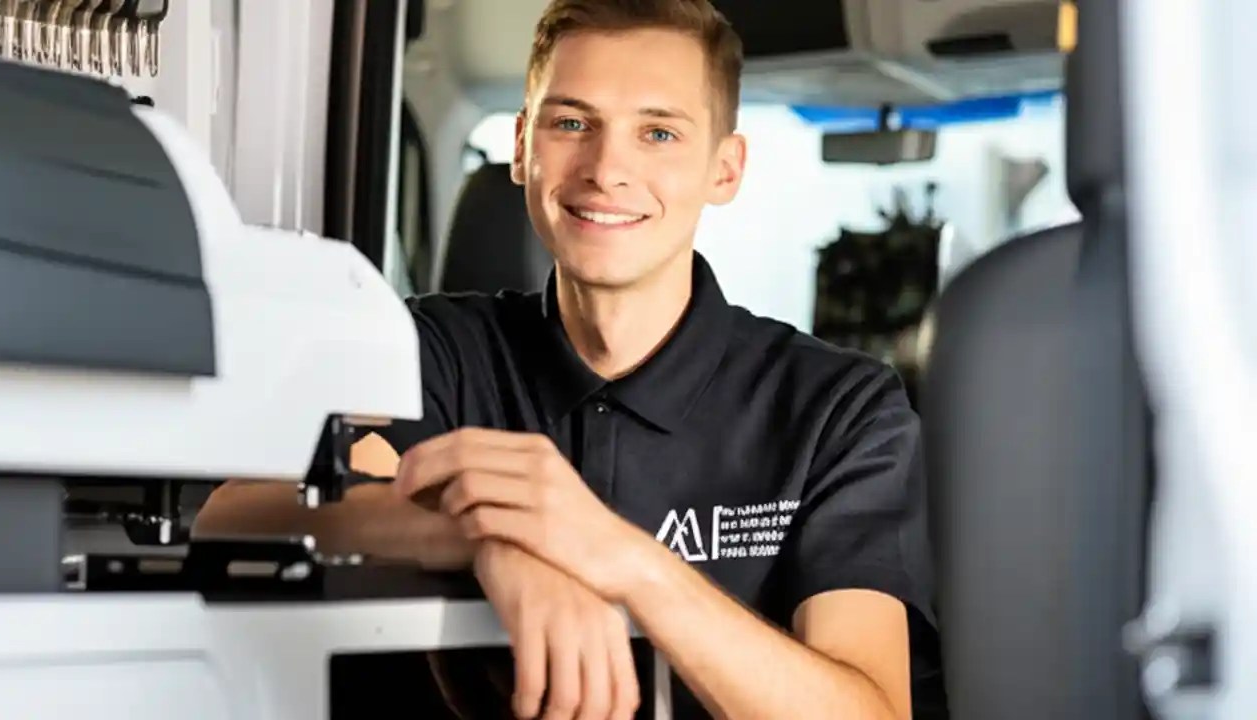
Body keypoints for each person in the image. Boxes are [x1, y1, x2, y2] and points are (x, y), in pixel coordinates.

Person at [194, 1, 946, 718]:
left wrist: (623, 560)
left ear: (725, 169)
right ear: (522, 146)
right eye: (572, 122)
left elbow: (869, 712)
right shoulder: (431, 350)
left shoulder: (838, 407)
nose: (605, 168)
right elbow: (237, 512)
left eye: (658, 134)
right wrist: (492, 536)